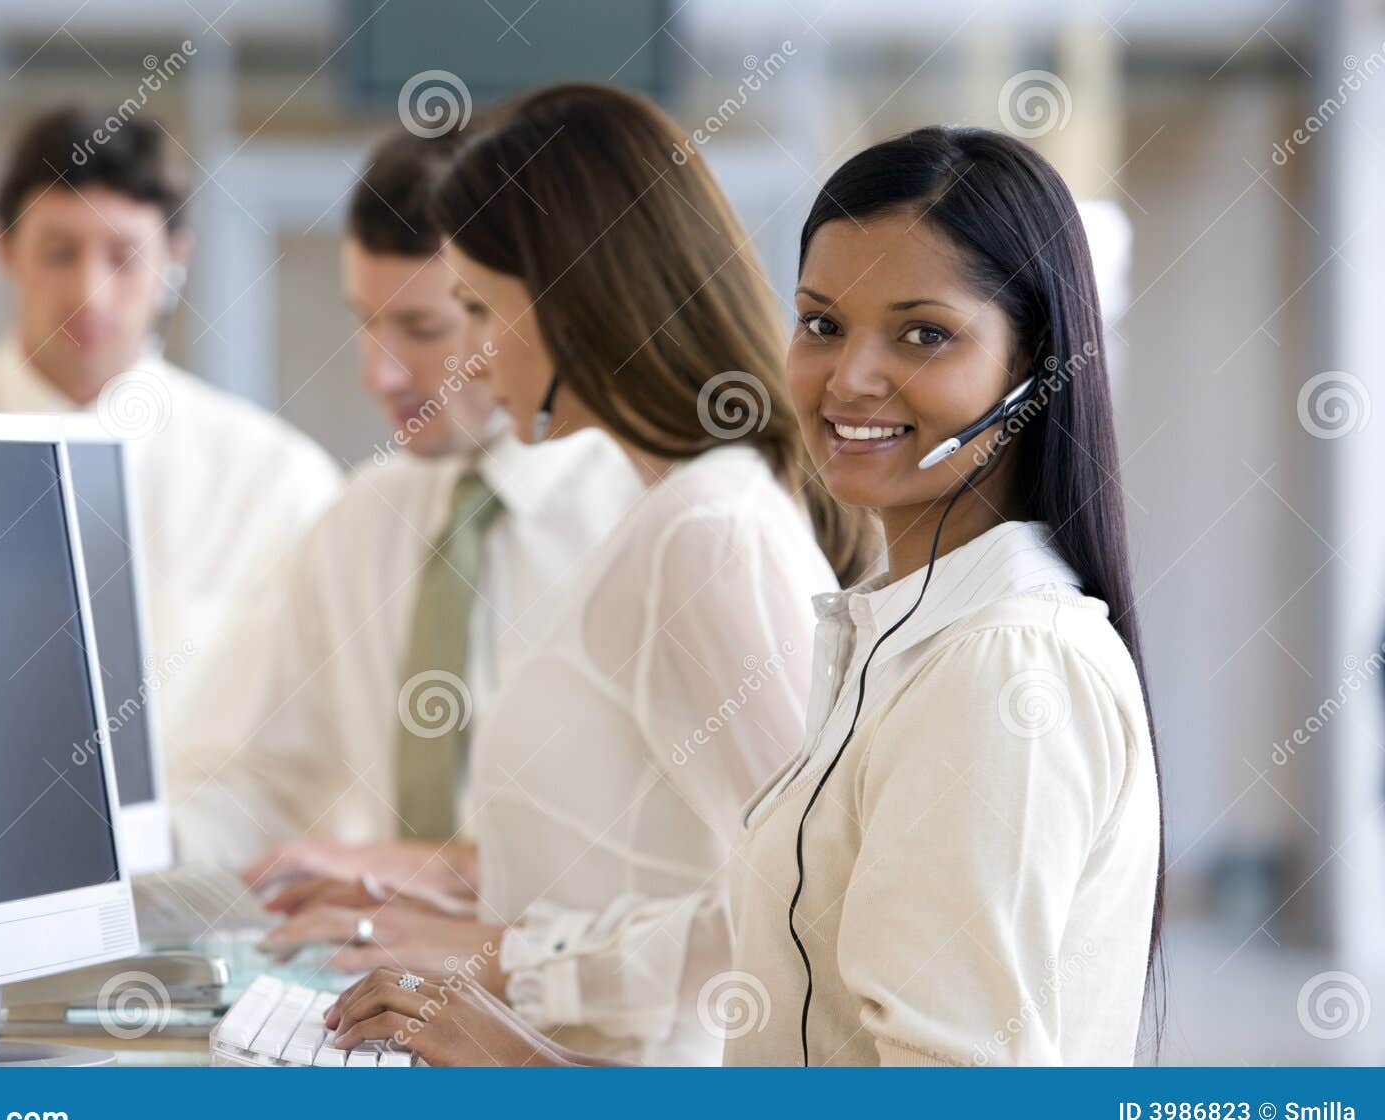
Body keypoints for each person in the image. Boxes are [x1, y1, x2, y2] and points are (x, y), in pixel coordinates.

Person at [322, 124, 1165, 1067]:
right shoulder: (903, 639)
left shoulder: (996, 667)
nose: (851, 377)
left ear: (1033, 368)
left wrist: (528, 1061)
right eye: (821, 323)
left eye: (925, 334)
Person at [262, 84, 878, 1066]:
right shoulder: (672, 515)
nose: (460, 356)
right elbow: (649, 854)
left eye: (474, 308)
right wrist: (449, 919)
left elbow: (817, 895)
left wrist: (504, 963)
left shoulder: (707, 530)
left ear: (565, 295)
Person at [0, 106, 342, 854]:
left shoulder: (275, 480)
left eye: (122, 255)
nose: (91, 292)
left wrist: (149, 844)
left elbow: (311, 743)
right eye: (59, 251)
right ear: (3, 250)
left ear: (176, 255)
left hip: (202, 916)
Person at [166, 126, 644, 868]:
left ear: (523, 309)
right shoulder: (358, 523)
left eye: (422, 330)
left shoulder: (642, 517)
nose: (379, 375)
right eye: (365, 322)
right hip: (399, 973)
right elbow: (257, 778)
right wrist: (132, 847)